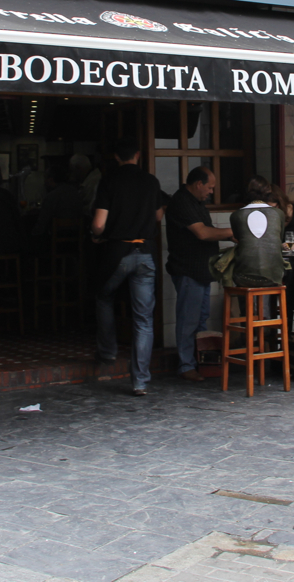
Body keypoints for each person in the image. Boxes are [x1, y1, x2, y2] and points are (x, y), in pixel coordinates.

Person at [92, 138, 167, 396]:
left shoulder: (109, 181)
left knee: (104, 297)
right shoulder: (151, 182)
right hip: (146, 253)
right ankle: (140, 381)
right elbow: (158, 216)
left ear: (116, 156)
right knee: (144, 318)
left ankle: (108, 351)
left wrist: (96, 234)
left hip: (118, 252)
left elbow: (99, 224)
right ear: (138, 154)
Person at [166, 165, 233, 382]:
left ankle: (201, 361)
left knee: (201, 319)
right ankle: (186, 365)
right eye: (210, 187)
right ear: (198, 184)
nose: (211, 192)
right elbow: (203, 233)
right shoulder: (181, 202)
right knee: (188, 320)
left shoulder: (197, 203)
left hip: (202, 270)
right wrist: (234, 232)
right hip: (188, 270)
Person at [229, 176, 287, 287]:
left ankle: (247, 305)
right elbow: (280, 237)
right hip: (274, 276)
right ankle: (273, 304)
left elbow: (238, 238)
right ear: (268, 192)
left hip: (243, 276)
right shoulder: (278, 214)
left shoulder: (236, 215)